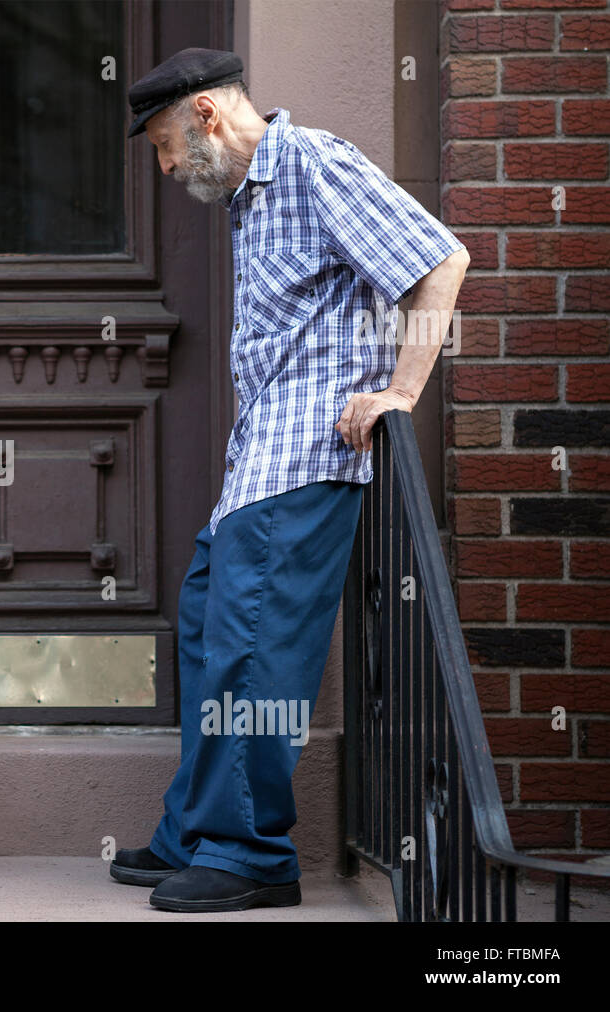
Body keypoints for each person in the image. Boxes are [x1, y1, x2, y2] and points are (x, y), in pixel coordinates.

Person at [112, 48, 469, 913]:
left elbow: (439, 258)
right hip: (257, 466)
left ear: (203, 116)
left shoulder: (312, 162)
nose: (163, 168)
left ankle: (249, 853)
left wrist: (402, 393)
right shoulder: (251, 197)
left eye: (163, 146)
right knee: (208, 635)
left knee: (254, 654)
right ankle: (195, 833)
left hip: (304, 461)